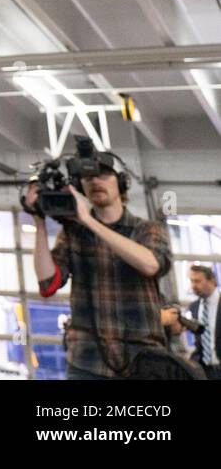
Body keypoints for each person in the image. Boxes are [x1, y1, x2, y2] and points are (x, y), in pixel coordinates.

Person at [27, 147, 172, 379]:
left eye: (103, 174)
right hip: (87, 361)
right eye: (87, 177)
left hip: (142, 359)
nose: (95, 181)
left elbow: (151, 264)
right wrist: (40, 222)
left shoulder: (147, 228)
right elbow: (48, 284)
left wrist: (88, 221)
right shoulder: (73, 232)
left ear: (122, 182)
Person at [186, 263, 219, 378]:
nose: (193, 286)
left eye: (197, 281)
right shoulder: (193, 307)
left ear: (212, 281)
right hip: (204, 371)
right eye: (192, 281)